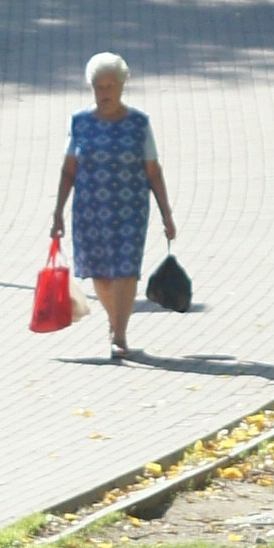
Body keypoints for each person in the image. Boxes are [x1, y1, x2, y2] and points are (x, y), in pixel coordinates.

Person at [51, 51, 176, 359]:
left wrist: (166, 214)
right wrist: (57, 213)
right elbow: (69, 169)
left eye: (110, 85)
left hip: (130, 209)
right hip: (90, 210)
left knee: (125, 270)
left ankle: (119, 334)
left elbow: (152, 171)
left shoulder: (138, 124)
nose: (105, 92)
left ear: (121, 86)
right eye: (99, 86)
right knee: (101, 275)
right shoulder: (79, 123)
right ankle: (114, 320)